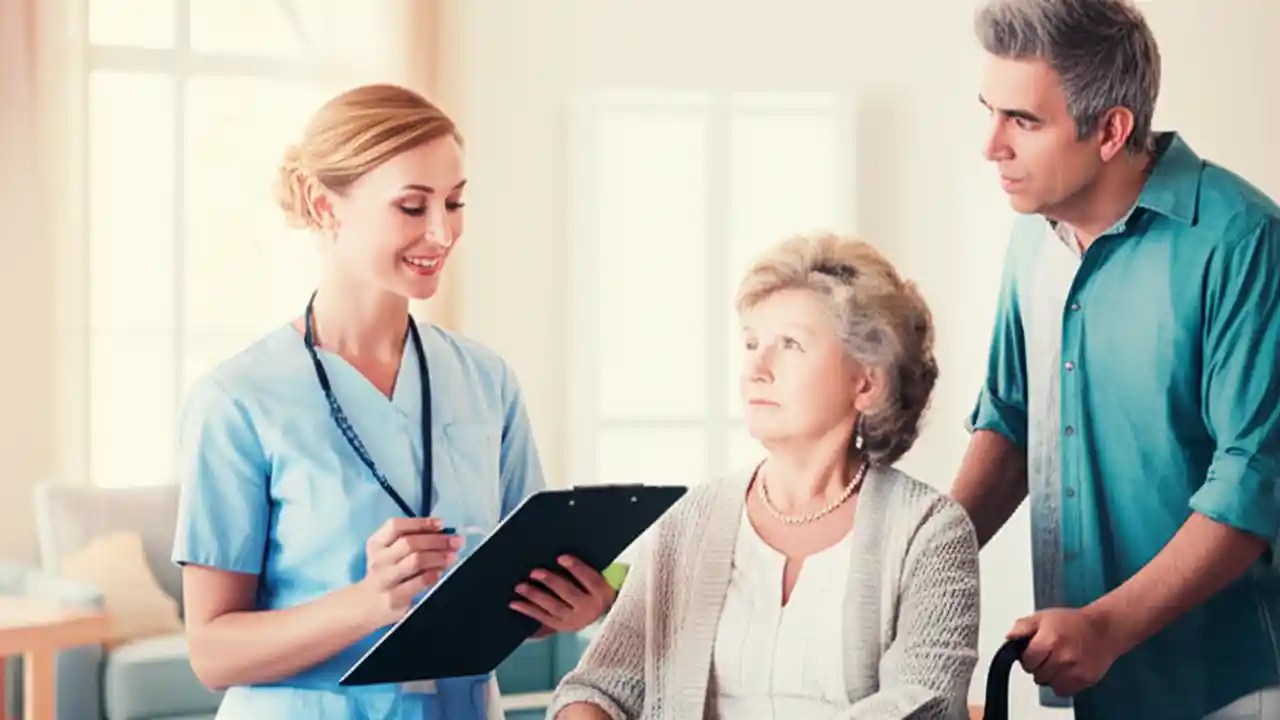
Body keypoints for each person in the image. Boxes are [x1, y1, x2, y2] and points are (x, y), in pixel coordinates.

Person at [171, 83, 615, 720]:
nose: (442, 231)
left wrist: (567, 609)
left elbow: (516, 584)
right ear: (326, 206)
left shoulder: (485, 379)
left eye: (455, 202)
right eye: (412, 206)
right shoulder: (240, 398)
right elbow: (213, 651)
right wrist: (367, 602)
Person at [953, 1, 1280, 718]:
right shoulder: (1032, 236)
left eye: (1023, 121)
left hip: (1228, 688)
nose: (991, 146)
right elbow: (1011, 420)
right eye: (990, 112)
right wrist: (919, 569)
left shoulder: (1245, 242)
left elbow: (1254, 482)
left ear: (1111, 130)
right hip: (1093, 687)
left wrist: (1107, 626)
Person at [548, 232, 981, 720]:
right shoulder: (689, 520)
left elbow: (927, 702)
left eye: (790, 344)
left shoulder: (931, 530)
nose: (756, 366)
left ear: (867, 381)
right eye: (752, 342)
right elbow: (600, 686)